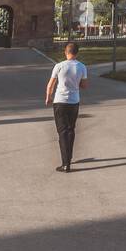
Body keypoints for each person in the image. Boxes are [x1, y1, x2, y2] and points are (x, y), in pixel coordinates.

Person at [45, 41, 88, 172]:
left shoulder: (59, 66)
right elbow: (85, 86)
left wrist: (48, 97)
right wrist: (77, 83)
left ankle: (65, 164)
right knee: (71, 130)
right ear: (77, 53)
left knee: (62, 132)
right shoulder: (82, 67)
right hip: (74, 102)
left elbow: (50, 84)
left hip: (60, 102)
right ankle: (68, 158)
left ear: (66, 52)